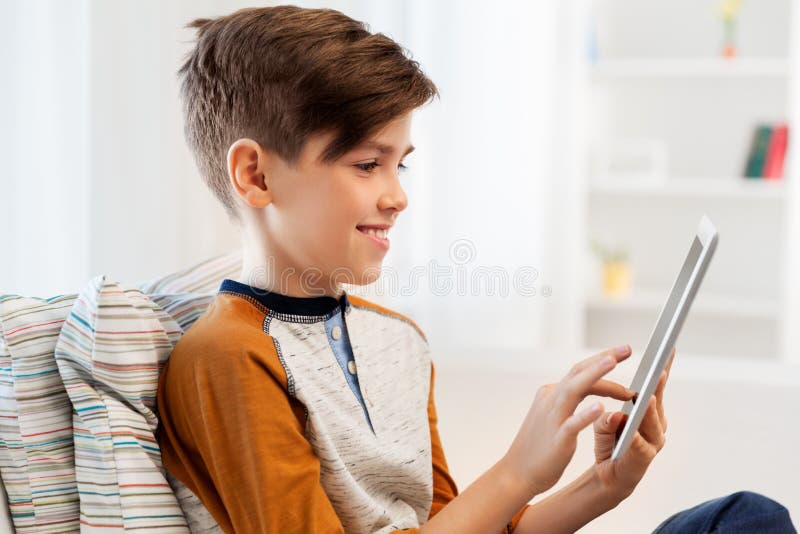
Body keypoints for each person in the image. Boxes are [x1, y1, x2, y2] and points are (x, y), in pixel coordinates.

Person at [154, 6, 797, 533]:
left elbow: (456, 526)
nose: (397, 195)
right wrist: (518, 470)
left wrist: (603, 484)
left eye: (399, 163)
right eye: (365, 164)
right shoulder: (228, 356)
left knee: (747, 518)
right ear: (256, 175)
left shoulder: (396, 342)